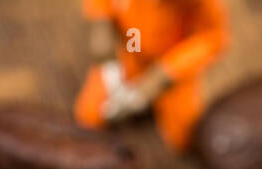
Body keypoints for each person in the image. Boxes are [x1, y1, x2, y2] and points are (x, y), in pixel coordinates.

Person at [74, 0, 229, 152]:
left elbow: (213, 37)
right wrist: (101, 20)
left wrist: (164, 75)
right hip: (131, 46)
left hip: (172, 59)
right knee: (89, 116)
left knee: (184, 136)